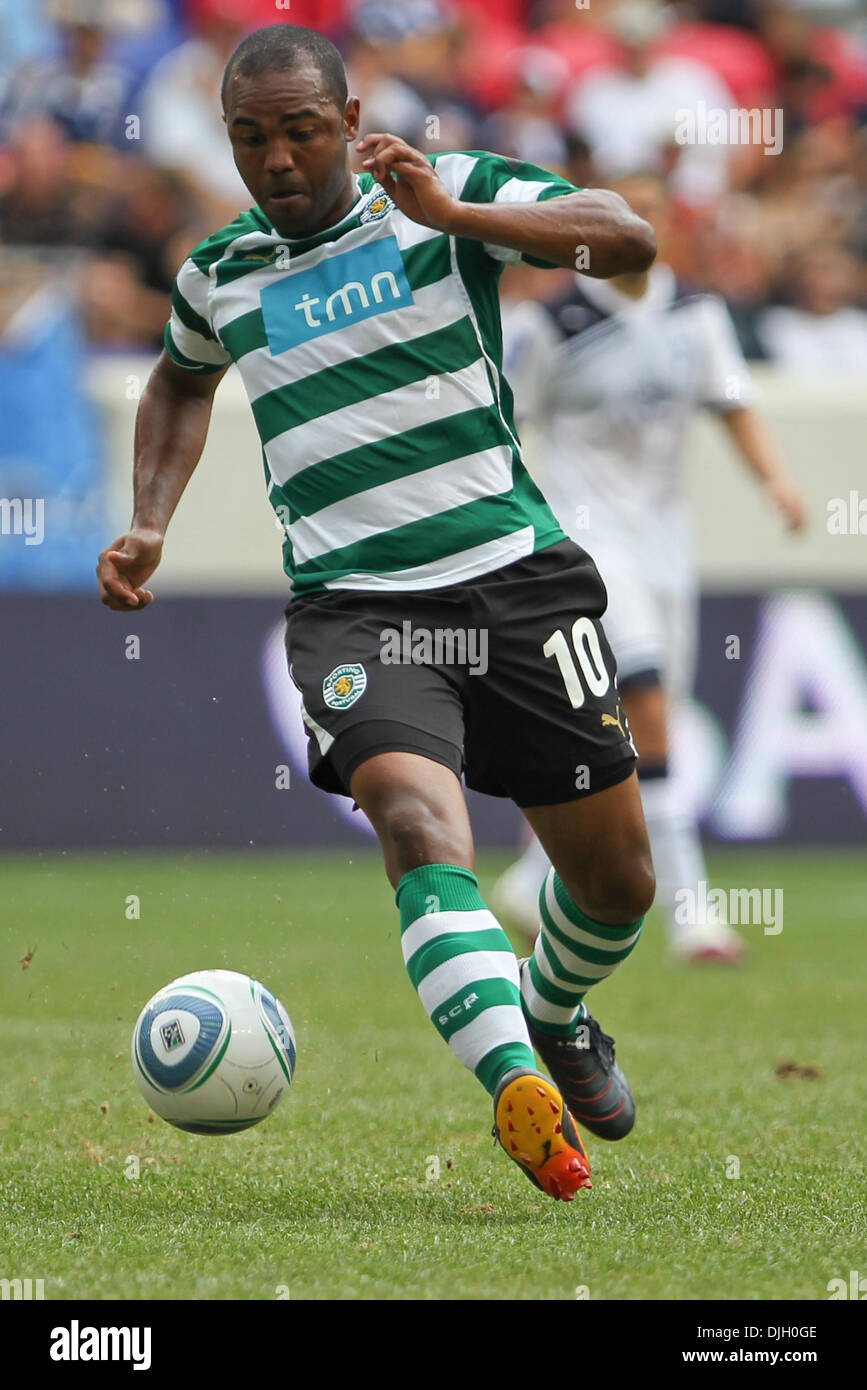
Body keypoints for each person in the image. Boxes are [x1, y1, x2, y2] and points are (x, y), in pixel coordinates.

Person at [97, 24, 657, 1203]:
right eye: (251, 138)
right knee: (410, 814)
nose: (278, 159)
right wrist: (151, 517)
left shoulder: (452, 194)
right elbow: (177, 381)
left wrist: (459, 218)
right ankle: (519, 1087)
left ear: (351, 121)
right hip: (357, 609)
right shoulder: (220, 270)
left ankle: (551, 1011)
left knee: (617, 886)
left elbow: (627, 236)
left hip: (514, 576)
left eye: (302, 129)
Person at [495, 173, 808, 964]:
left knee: (634, 722)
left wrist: (775, 482)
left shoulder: (695, 315)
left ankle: (531, 874)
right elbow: (500, 430)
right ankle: (692, 912)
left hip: (668, 545)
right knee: (649, 708)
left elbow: (731, 403)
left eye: (646, 212)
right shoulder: (549, 327)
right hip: (587, 545)